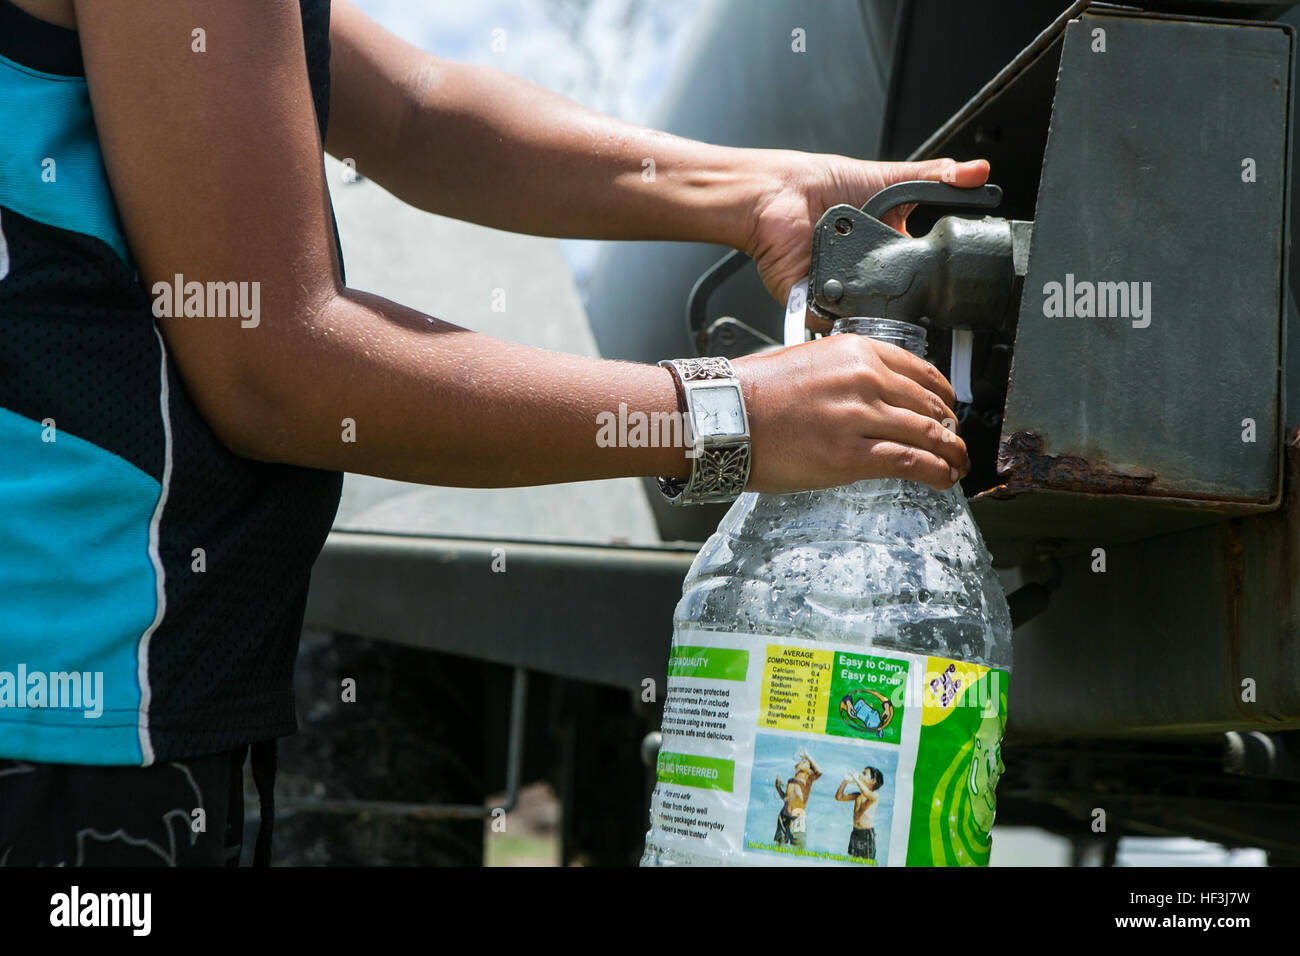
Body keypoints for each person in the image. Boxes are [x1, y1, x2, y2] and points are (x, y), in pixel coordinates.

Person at [0, 0, 981, 865]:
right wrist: (725, 415)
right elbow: (272, 365)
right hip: (65, 692)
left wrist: (755, 190)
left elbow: (414, 112)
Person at [773, 750, 822, 848]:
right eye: (802, 760)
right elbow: (785, 799)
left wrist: (808, 756)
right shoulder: (791, 780)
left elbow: (819, 772)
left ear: (809, 770)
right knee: (778, 848)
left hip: (797, 819)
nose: (801, 762)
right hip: (783, 817)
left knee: (798, 850)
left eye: (805, 762)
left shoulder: (808, 779)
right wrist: (778, 787)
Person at [835, 766, 885, 861]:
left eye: (864, 773)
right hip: (855, 832)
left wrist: (856, 779)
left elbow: (866, 792)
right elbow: (839, 797)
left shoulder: (874, 795)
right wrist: (844, 782)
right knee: (854, 860)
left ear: (873, 781)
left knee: (867, 862)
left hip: (866, 834)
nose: (861, 774)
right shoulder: (858, 795)